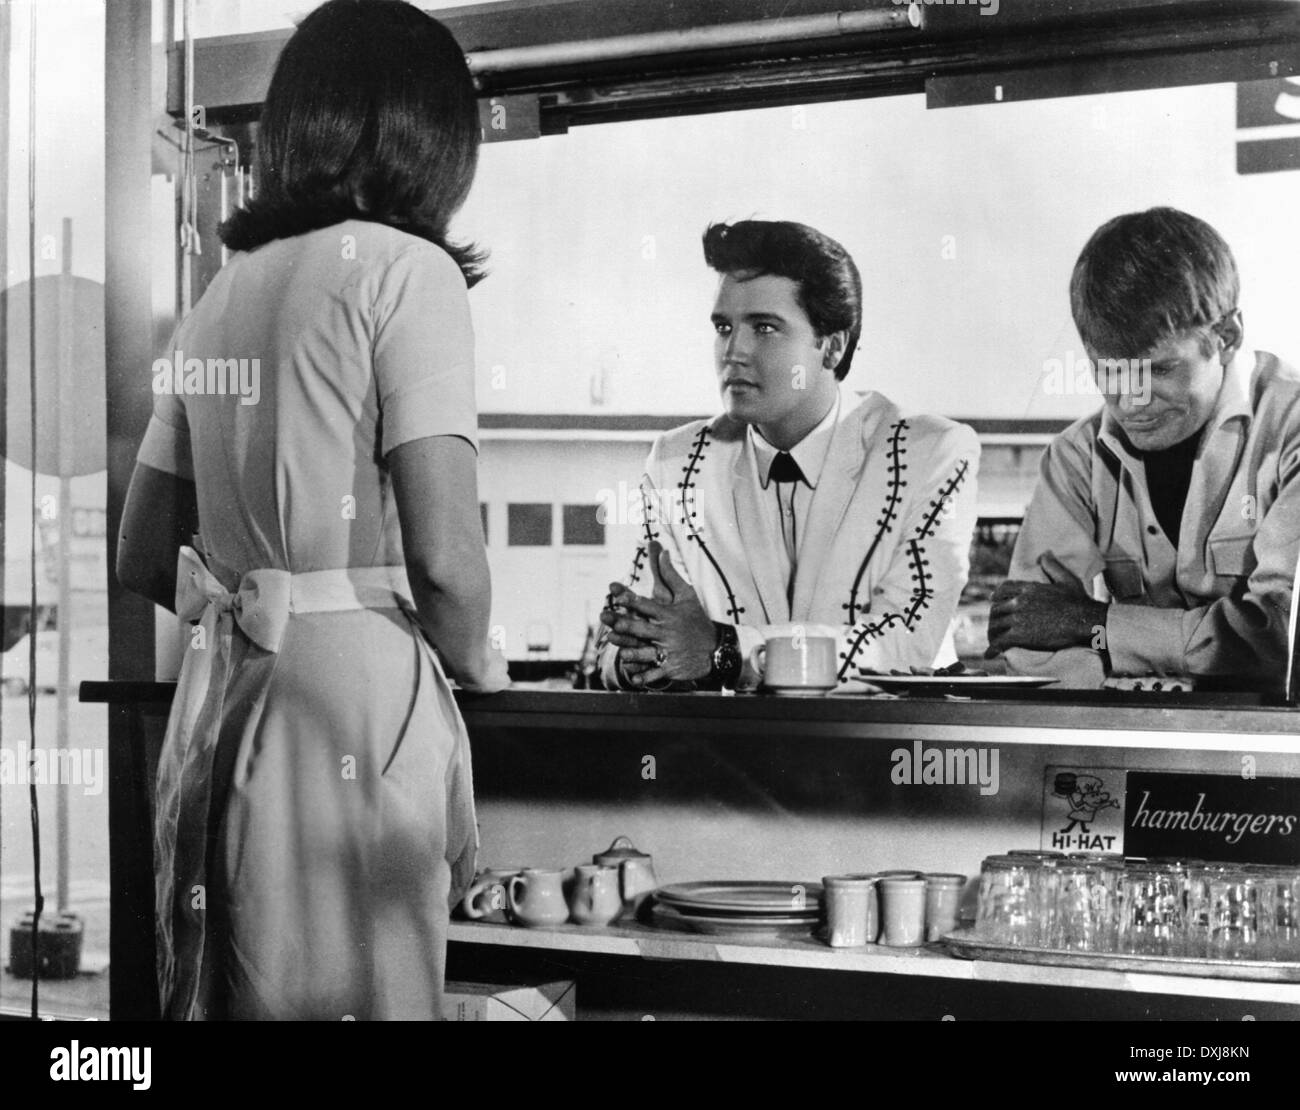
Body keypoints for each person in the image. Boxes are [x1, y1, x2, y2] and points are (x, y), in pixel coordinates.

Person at [117, 0, 507, 1020]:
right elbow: (449, 562)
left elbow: (141, 550)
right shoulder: (407, 273)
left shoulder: (220, 292)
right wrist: (476, 660)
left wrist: (258, 594)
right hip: (355, 692)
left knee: (239, 986)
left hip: (230, 686)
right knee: (368, 990)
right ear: (434, 138)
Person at [598, 219, 980, 690]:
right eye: (723, 327)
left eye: (764, 328)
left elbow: (904, 644)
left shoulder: (926, 453)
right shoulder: (676, 463)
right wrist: (640, 658)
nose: (733, 352)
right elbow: (617, 647)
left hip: (887, 753)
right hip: (734, 753)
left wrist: (725, 651)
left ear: (832, 346)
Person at [988, 207, 1300, 689]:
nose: (1131, 400)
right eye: (1109, 370)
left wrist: (1094, 626)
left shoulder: (1292, 429)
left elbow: (1282, 639)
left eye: (1158, 370)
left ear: (1227, 337)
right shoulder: (1074, 458)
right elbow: (1028, 639)